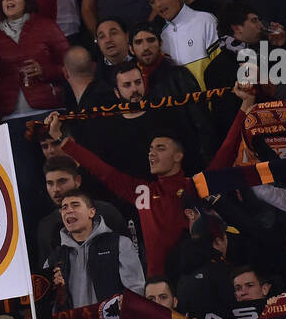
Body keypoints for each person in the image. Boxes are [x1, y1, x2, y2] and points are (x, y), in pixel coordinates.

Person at [46, 83, 256, 277]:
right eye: (150, 149)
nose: (151, 154)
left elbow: (227, 150)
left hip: (199, 280)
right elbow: (103, 171)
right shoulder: (141, 192)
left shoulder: (196, 186)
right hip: (159, 287)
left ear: (178, 156)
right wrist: (62, 140)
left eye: (160, 148)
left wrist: (246, 105)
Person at [0, 0, 70, 127]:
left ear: (26, 0)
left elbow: (71, 67)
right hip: (10, 117)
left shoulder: (47, 27)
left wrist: (45, 71)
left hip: (49, 111)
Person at [44, 191, 144, 309]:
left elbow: (136, 289)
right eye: (64, 207)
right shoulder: (54, 258)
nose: (69, 210)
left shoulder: (119, 244)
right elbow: (46, 302)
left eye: (75, 205)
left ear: (91, 212)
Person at [146, 0, 218, 87]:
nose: (158, 4)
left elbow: (220, 66)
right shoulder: (161, 37)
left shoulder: (205, 21)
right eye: (152, 1)